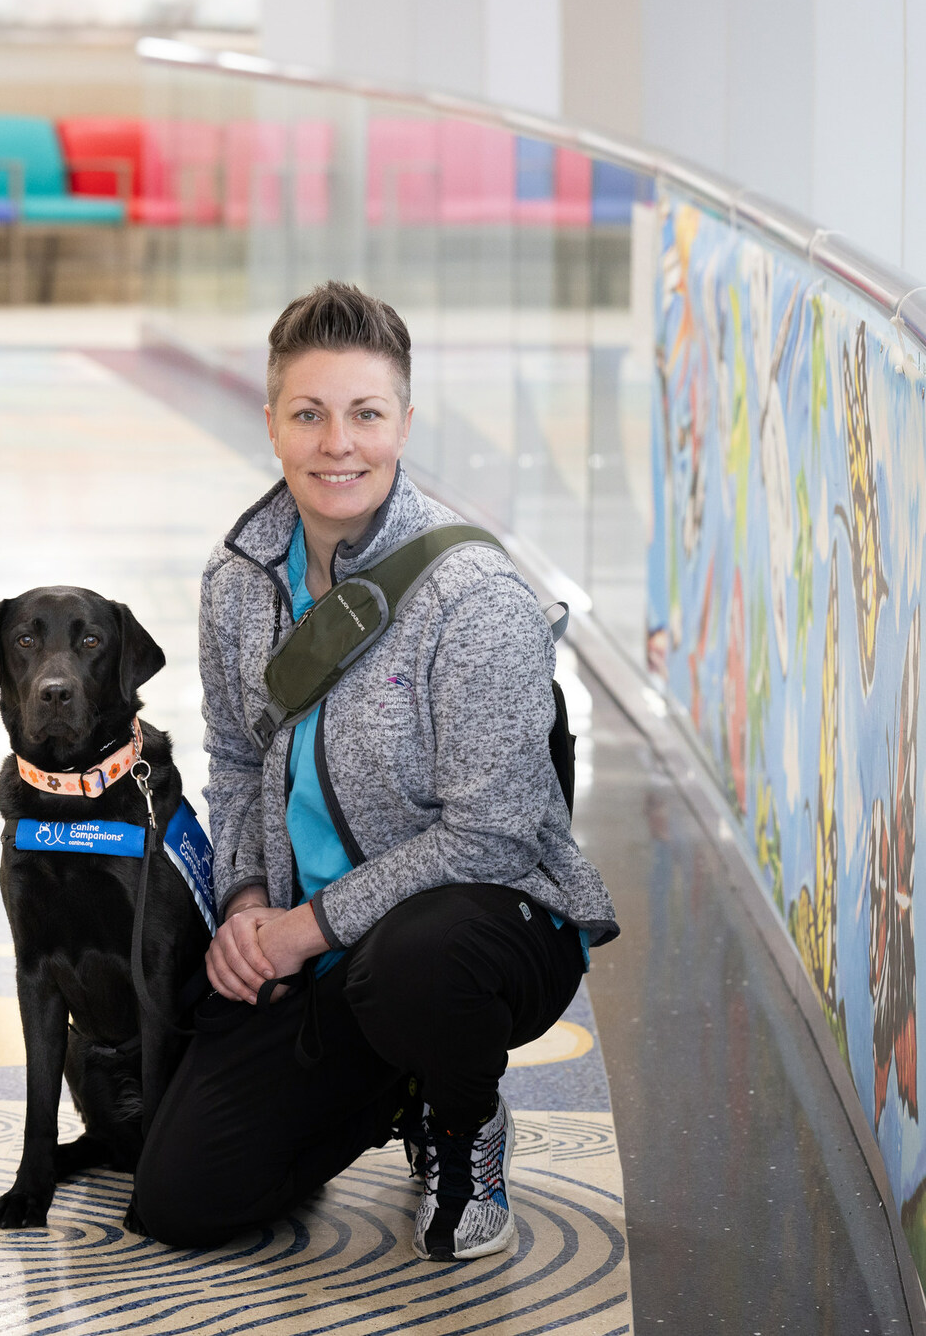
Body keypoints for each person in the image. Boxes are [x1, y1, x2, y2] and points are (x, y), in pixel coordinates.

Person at [133, 282, 619, 1261]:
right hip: (316, 945)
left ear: (403, 422)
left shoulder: (471, 594)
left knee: (416, 968)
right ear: (272, 423)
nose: (337, 444)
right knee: (183, 1199)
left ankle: (462, 1116)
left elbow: (492, 835)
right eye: (309, 414)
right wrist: (247, 904)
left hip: (482, 930)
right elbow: (235, 757)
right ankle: (392, 1080)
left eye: (365, 414)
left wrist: (299, 931)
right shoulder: (239, 580)